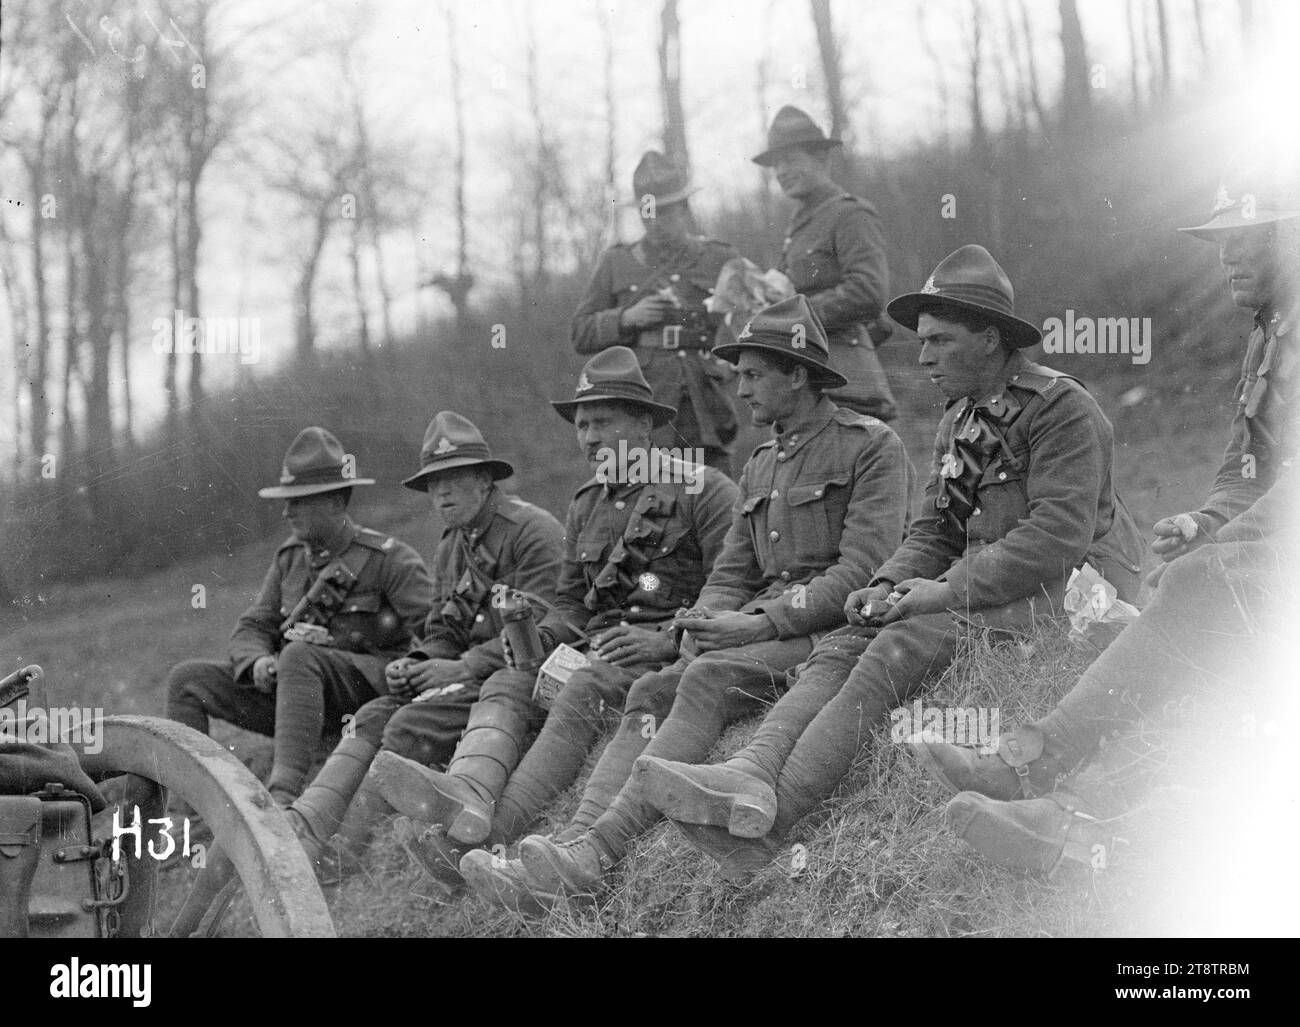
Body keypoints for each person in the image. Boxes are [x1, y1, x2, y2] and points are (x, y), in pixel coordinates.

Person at [637, 245, 1145, 879]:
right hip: (1001, 581)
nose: (923, 356)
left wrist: (943, 591)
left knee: (904, 640)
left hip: (1078, 589)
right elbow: (935, 529)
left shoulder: (1059, 407)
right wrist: (887, 582)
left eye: (940, 341)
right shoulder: (959, 420)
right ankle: (752, 771)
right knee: (852, 635)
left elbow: (1055, 537)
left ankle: (774, 823)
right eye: (922, 341)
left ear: (991, 339)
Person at [910, 158, 1300, 875]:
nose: (1226, 256)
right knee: (1205, 621)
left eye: (1249, 238)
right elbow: (1249, 469)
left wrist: (1229, 551)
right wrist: (1207, 524)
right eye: (1221, 240)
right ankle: (1072, 817)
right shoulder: (1271, 333)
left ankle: (1038, 780)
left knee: (1206, 608)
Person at [463, 294, 914, 912]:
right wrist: (700, 622)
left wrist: (753, 623)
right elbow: (732, 572)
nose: (740, 389)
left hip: (827, 629)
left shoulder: (869, 446)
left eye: (753, 375)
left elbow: (862, 571)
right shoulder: (762, 464)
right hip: (765, 629)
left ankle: (598, 851)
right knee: (654, 687)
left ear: (798, 375)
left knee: (703, 677)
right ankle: (572, 846)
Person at [371, 347, 738, 891]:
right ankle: (468, 793)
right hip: (596, 654)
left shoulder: (705, 489)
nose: (589, 437)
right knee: (508, 678)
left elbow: (731, 587)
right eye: (582, 425)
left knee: (585, 684)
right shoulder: (586, 504)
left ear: (644, 424)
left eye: (602, 422)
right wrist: (533, 633)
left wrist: (666, 639)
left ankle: (507, 843)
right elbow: (570, 605)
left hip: (661, 659)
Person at [281, 412, 563, 874]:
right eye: (433, 484)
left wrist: (465, 666)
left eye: (453, 479)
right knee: (373, 713)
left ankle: (344, 853)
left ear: (484, 480)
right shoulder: (452, 543)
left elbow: (547, 628)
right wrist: (417, 662)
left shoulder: (531, 530)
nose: (442, 493)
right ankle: (306, 827)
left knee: (408, 724)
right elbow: (442, 631)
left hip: (516, 679)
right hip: (470, 678)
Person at [164, 427, 431, 805]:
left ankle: (283, 794)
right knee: (187, 680)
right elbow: (254, 625)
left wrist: (409, 673)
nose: (287, 511)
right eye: (287, 501)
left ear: (336, 503)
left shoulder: (390, 560)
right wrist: (257, 661)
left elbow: (438, 635)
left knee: (299, 655)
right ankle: (193, 807)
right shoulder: (290, 559)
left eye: (299, 502)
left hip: (361, 699)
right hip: (295, 698)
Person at [573, 151, 741, 475]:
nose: (655, 222)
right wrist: (626, 319)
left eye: (664, 212)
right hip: (645, 404)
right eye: (647, 212)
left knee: (712, 492)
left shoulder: (718, 258)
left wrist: (732, 363)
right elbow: (579, 332)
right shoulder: (616, 262)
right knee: (647, 494)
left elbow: (756, 316)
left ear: (684, 208)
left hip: (705, 402)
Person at [755, 105, 898, 421]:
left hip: (847, 385)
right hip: (808, 383)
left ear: (821, 158)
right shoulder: (800, 223)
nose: (780, 172)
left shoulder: (850, 214)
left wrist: (793, 314)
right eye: (776, 164)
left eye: (790, 160)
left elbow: (868, 292)